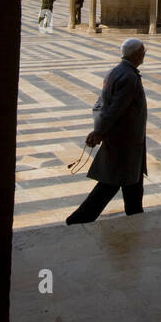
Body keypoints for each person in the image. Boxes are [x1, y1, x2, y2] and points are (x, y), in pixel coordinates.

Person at [65, 38, 148, 223]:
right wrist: (99, 132)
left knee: (131, 181)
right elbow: (115, 109)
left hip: (129, 141)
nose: (144, 54)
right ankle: (79, 218)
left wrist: (99, 129)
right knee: (111, 183)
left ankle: (136, 215)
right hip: (125, 141)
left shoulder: (116, 72)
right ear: (135, 54)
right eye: (143, 51)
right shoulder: (128, 77)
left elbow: (100, 104)